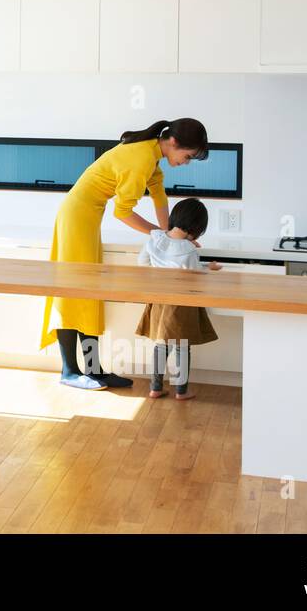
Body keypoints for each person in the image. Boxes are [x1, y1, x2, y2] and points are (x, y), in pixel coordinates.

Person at [41, 118, 210, 390]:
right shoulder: (141, 158)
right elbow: (122, 211)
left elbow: (159, 196)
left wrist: (173, 237)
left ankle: (93, 370)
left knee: (89, 294)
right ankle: (70, 371)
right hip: (76, 218)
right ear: (174, 143)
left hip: (86, 217)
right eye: (188, 156)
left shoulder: (151, 154)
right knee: (74, 292)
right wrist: (161, 235)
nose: (187, 162)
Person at [135, 197, 221, 400]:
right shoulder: (189, 249)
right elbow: (193, 276)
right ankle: (181, 391)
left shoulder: (154, 240)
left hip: (159, 301)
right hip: (182, 304)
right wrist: (209, 268)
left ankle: (155, 388)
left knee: (161, 344)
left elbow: (142, 263)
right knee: (182, 347)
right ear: (196, 228)